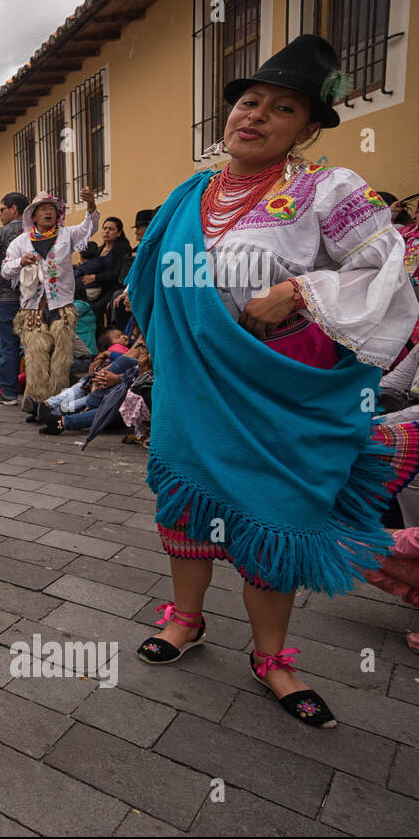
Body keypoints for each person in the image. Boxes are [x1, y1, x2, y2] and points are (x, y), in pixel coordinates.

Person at [126, 35, 419, 728]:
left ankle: (272, 659)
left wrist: (298, 289)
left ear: (308, 128)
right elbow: (154, 282)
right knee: (184, 506)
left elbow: (387, 263)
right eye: (248, 101)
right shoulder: (188, 195)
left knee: (277, 514)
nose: (254, 116)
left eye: (281, 108)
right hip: (191, 385)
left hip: (277, 389)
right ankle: (185, 619)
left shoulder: (329, 190)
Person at [3, 188, 100, 410]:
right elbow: (5, 270)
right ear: (33, 216)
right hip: (32, 308)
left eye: (52, 209)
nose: (48, 213)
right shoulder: (20, 242)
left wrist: (91, 206)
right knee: (35, 356)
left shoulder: (67, 234)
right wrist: (20, 263)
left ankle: (55, 403)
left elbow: (89, 228)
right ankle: (35, 402)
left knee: (61, 359)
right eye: (43, 209)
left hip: (62, 306)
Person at [0, 191, 28, 405]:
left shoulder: (1, 234)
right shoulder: (35, 231)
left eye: (2, 209)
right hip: (33, 296)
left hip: (7, 297)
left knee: (9, 343)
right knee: (35, 343)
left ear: (14, 209)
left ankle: (9, 391)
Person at [77, 216, 133, 332]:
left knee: (95, 309)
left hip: (113, 288)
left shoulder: (122, 248)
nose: (106, 231)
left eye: (111, 229)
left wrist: (95, 277)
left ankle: (106, 335)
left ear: (119, 233)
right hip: (98, 289)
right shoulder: (99, 249)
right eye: (105, 228)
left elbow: (118, 273)